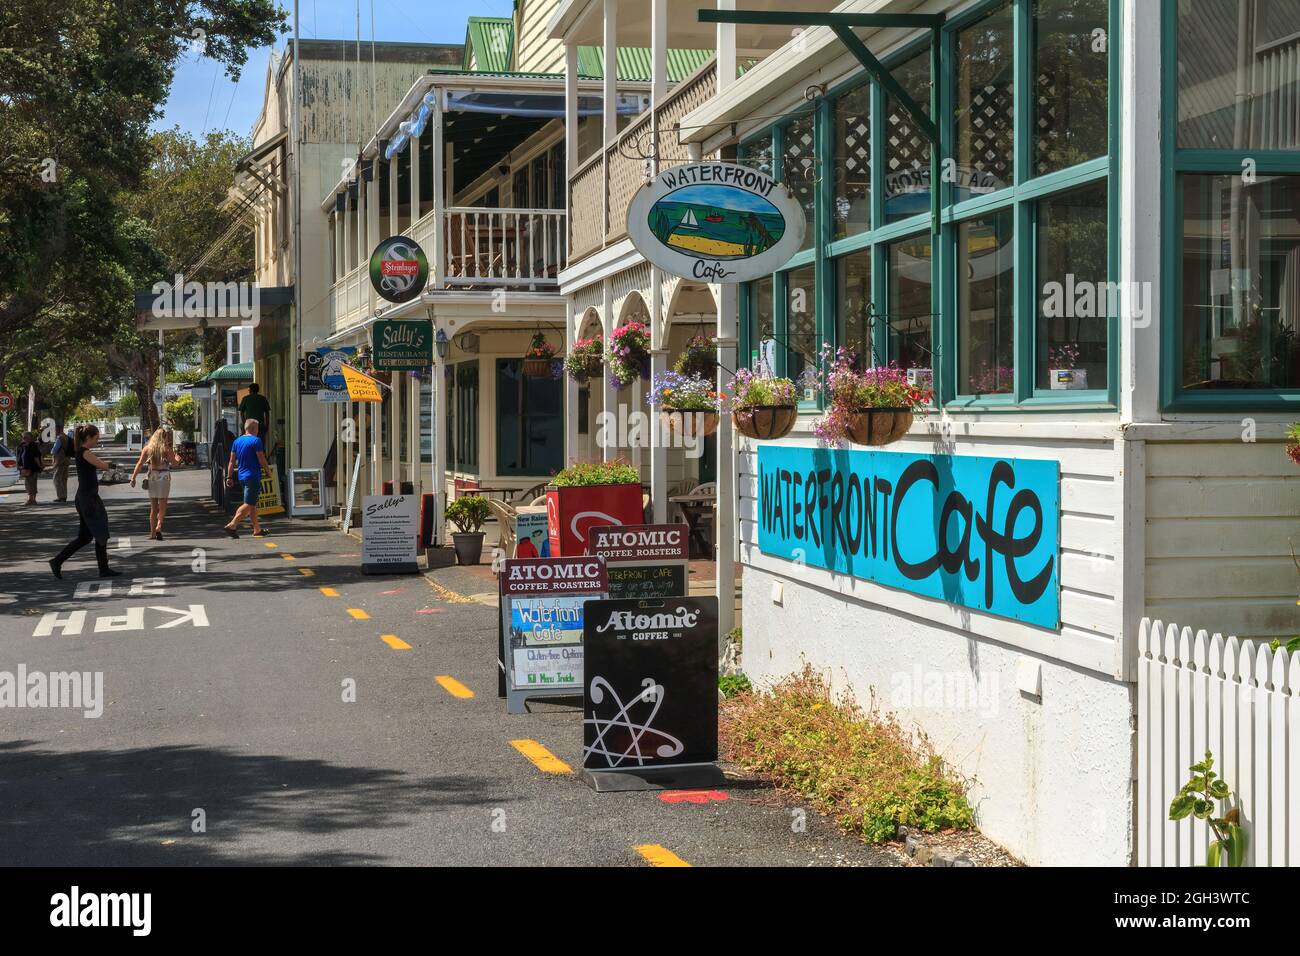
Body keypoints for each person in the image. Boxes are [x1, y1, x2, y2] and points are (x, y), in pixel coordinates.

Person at [50, 424, 119, 579]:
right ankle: (104, 569)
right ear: (88, 438)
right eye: (96, 438)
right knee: (101, 531)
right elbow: (102, 465)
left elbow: (98, 462)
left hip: (86, 497)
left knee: (85, 537)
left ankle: (57, 561)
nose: (97, 441)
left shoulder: (82, 452)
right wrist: (112, 465)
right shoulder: (85, 452)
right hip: (88, 499)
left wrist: (107, 463)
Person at [130, 427, 182, 540]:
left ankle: (152, 533)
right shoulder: (167, 449)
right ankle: (159, 525)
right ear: (165, 437)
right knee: (162, 505)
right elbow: (175, 464)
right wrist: (178, 458)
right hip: (164, 477)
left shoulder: (148, 449)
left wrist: (133, 478)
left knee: (153, 507)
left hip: (152, 476)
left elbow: (139, 464)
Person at [223, 419, 271, 539]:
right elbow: (261, 459)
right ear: (254, 429)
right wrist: (268, 471)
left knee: (252, 504)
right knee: (249, 503)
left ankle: (257, 529)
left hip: (242, 476)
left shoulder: (237, 441)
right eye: (258, 428)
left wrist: (229, 476)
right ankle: (232, 524)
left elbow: (231, 461)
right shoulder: (256, 441)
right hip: (253, 476)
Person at [237, 383, 270, 448]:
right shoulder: (262, 398)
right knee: (260, 445)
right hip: (260, 426)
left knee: (249, 445)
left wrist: (244, 424)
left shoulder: (246, 399)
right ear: (257, 390)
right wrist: (267, 425)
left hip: (249, 427)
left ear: (250, 390)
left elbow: (241, 412)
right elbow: (267, 413)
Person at [17, 431, 43, 505]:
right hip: (25, 467)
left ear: (31, 438)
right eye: (23, 437)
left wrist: (39, 466)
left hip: (32, 467)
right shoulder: (22, 445)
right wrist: (19, 465)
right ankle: (31, 499)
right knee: (28, 483)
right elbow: (19, 456)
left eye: (25, 437)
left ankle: (32, 499)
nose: (24, 439)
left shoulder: (33, 446)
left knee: (32, 483)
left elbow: (36, 457)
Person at [51, 428, 73, 501]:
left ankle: (61, 496)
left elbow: (54, 450)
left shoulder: (59, 438)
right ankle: (64, 495)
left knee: (57, 479)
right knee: (64, 479)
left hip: (60, 460)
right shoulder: (67, 438)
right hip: (67, 460)